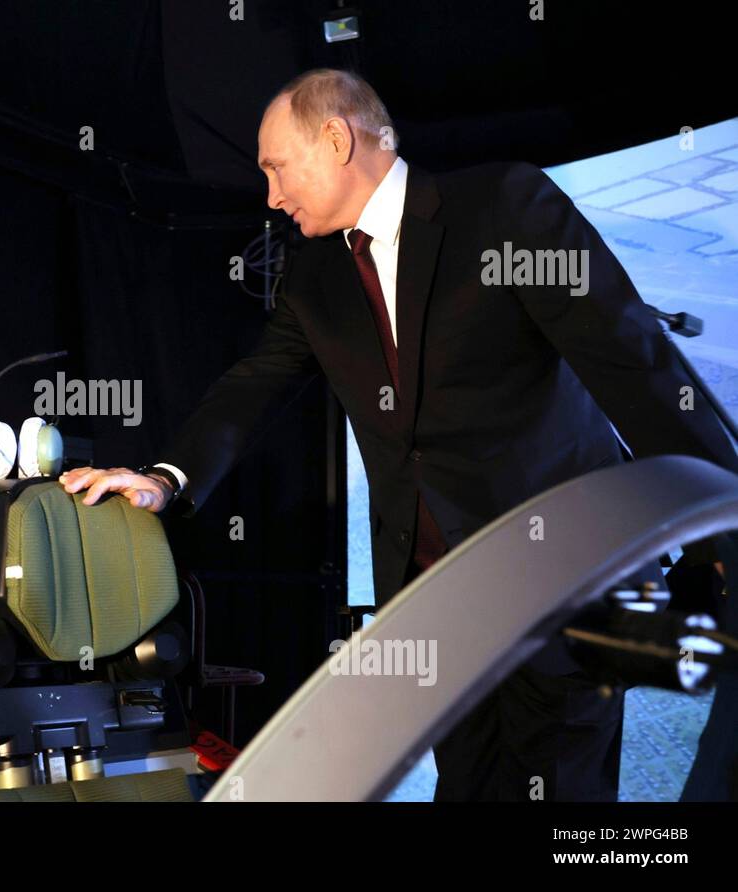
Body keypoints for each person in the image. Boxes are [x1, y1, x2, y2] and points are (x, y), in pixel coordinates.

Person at [61, 69, 738, 801]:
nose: (271, 196)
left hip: (557, 585)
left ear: (334, 137)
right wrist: (165, 478)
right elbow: (251, 387)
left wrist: (721, 513)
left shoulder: (505, 206)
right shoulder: (312, 278)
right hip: (436, 610)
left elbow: (631, 360)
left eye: (276, 168)